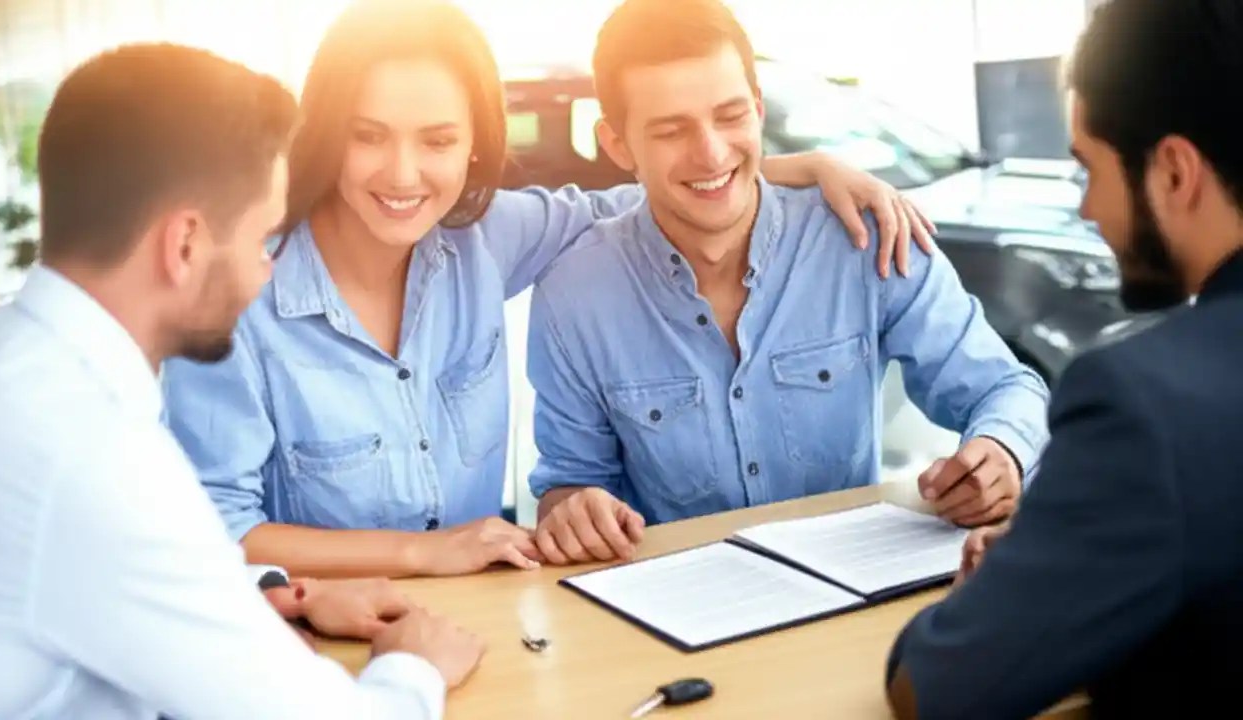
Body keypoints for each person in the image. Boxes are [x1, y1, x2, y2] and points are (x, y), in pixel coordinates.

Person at [159, 0, 938, 580]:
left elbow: (660, 187)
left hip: (477, 632)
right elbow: (215, 531)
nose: (402, 175)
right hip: (307, 647)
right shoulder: (238, 292)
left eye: (437, 140)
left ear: (473, 148)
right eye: (368, 136)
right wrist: (425, 553)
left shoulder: (483, 239)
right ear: (326, 130)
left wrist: (802, 170)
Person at [0, 43, 482, 720]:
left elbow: (93, 571)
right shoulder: (95, 456)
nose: (268, 271)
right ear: (183, 246)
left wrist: (277, 588)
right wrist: (415, 664)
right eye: (263, 239)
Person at [524, 0, 1050, 565]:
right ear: (618, 145)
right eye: (672, 130)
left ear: (755, 108)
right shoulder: (574, 294)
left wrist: (1001, 452)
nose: (712, 153)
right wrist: (574, 510)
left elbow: (1008, 389)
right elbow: (570, 483)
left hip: (854, 593)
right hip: (681, 614)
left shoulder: (865, 238)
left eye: (730, 116)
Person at [886, 1, 1243, 717]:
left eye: (1089, 169)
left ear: (1174, 172)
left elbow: (934, 687)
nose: (1087, 210)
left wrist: (1025, 581)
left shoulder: (1147, 406)